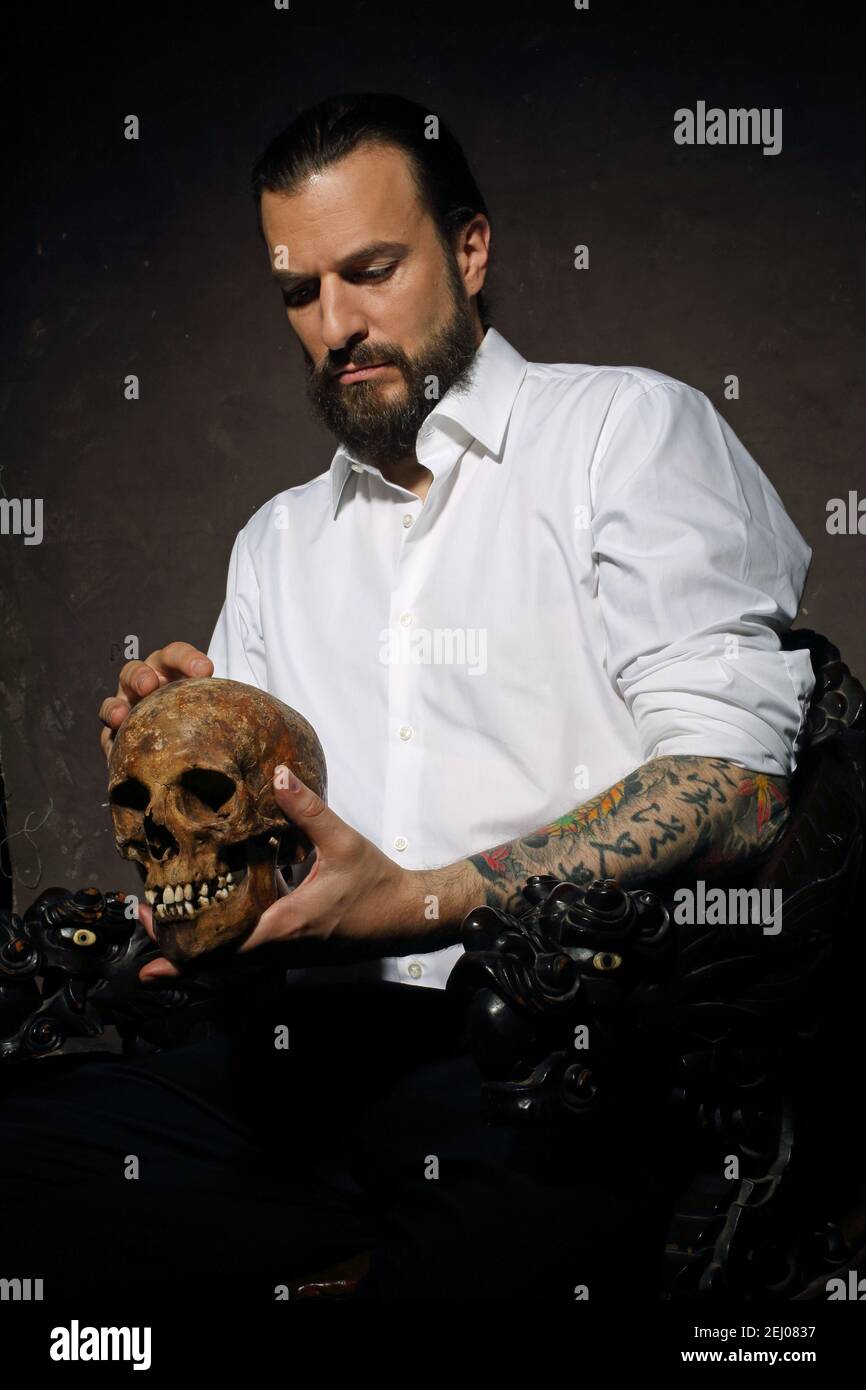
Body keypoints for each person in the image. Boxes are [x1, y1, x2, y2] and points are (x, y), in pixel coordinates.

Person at [1, 91, 814, 1304]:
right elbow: (272, 849)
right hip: (295, 1064)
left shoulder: (624, 434)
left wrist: (423, 899)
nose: (337, 324)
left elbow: (739, 788)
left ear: (469, 250)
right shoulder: (275, 540)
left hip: (552, 1058)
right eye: (298, 291)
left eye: (371, 271)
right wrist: (188, 809)